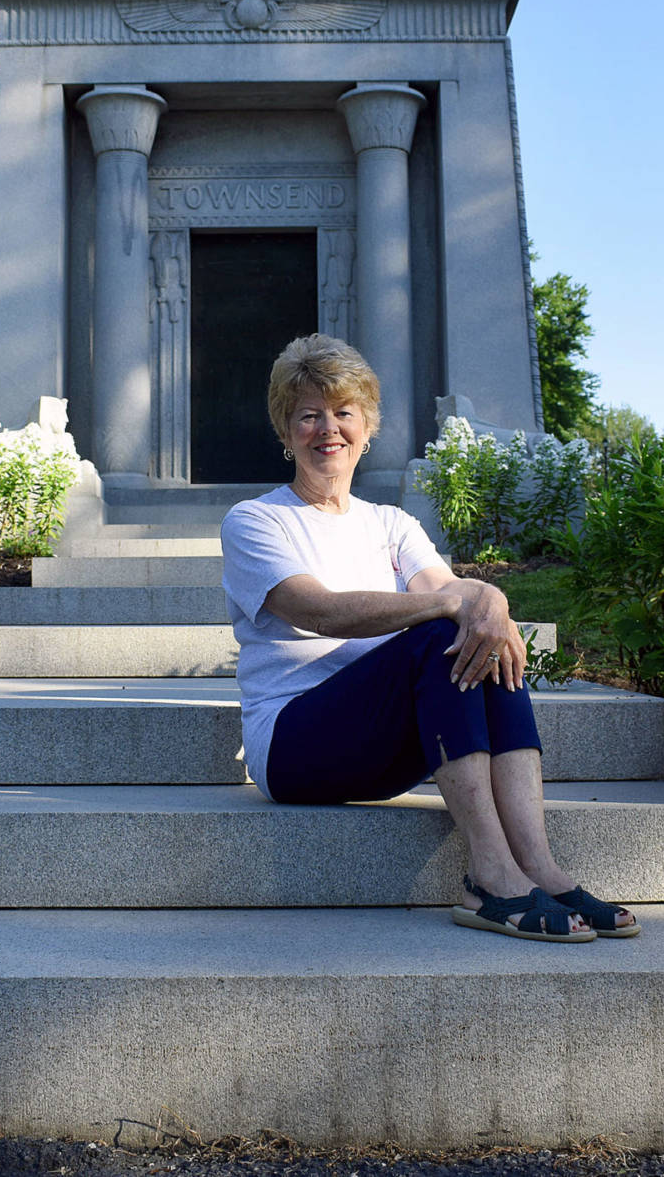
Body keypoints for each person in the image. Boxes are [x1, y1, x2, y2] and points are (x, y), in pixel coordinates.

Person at [220, 334, 638, 943]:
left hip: (384, 740)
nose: (327, 429)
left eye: (343, 412)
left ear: (367, 428)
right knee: (439, 629)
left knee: (476, 630)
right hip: (294, 744)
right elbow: (321, 612)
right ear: (286, 435)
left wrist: (488, 599)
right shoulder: (257, 520)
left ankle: (539, 867)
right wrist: (456, 602)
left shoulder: (391, 523)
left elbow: (455, 591)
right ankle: (489, 876)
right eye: (308, 415)